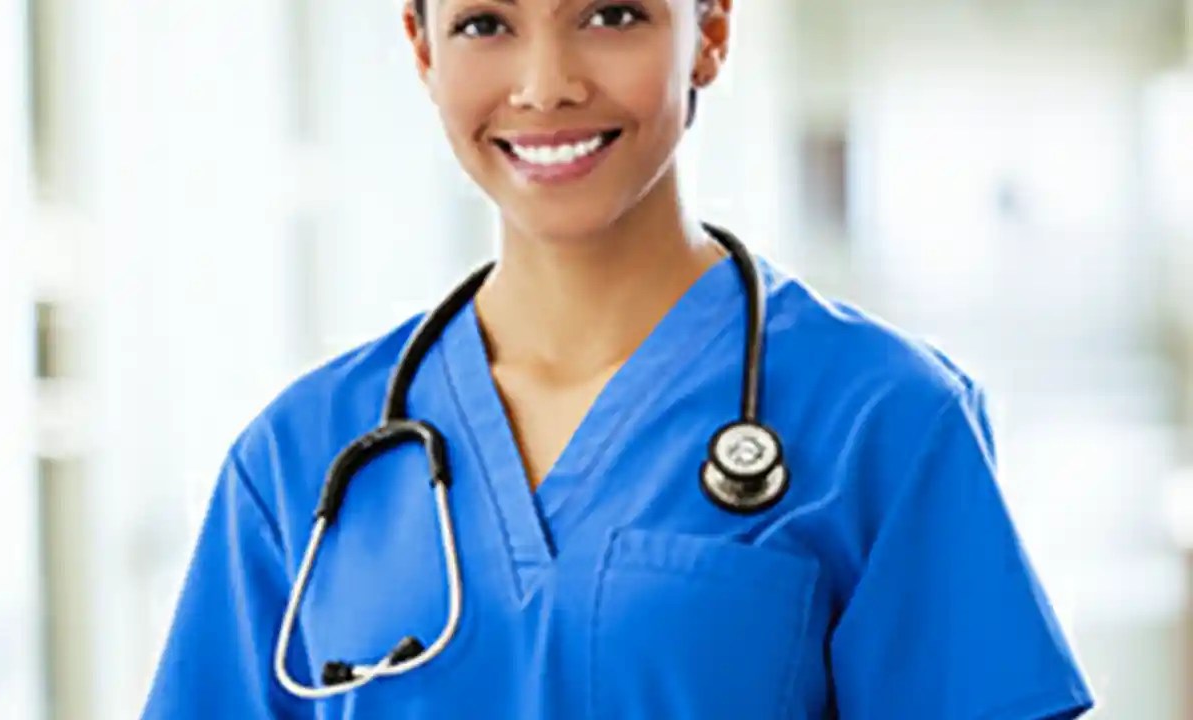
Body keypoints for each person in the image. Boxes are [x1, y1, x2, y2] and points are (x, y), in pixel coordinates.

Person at [141, 0, 1095, 717]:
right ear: (422, 48)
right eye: (484, 24)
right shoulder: (302, 455)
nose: (546, 84)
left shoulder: (878, 418)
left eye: (611, 16)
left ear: (710, 32)